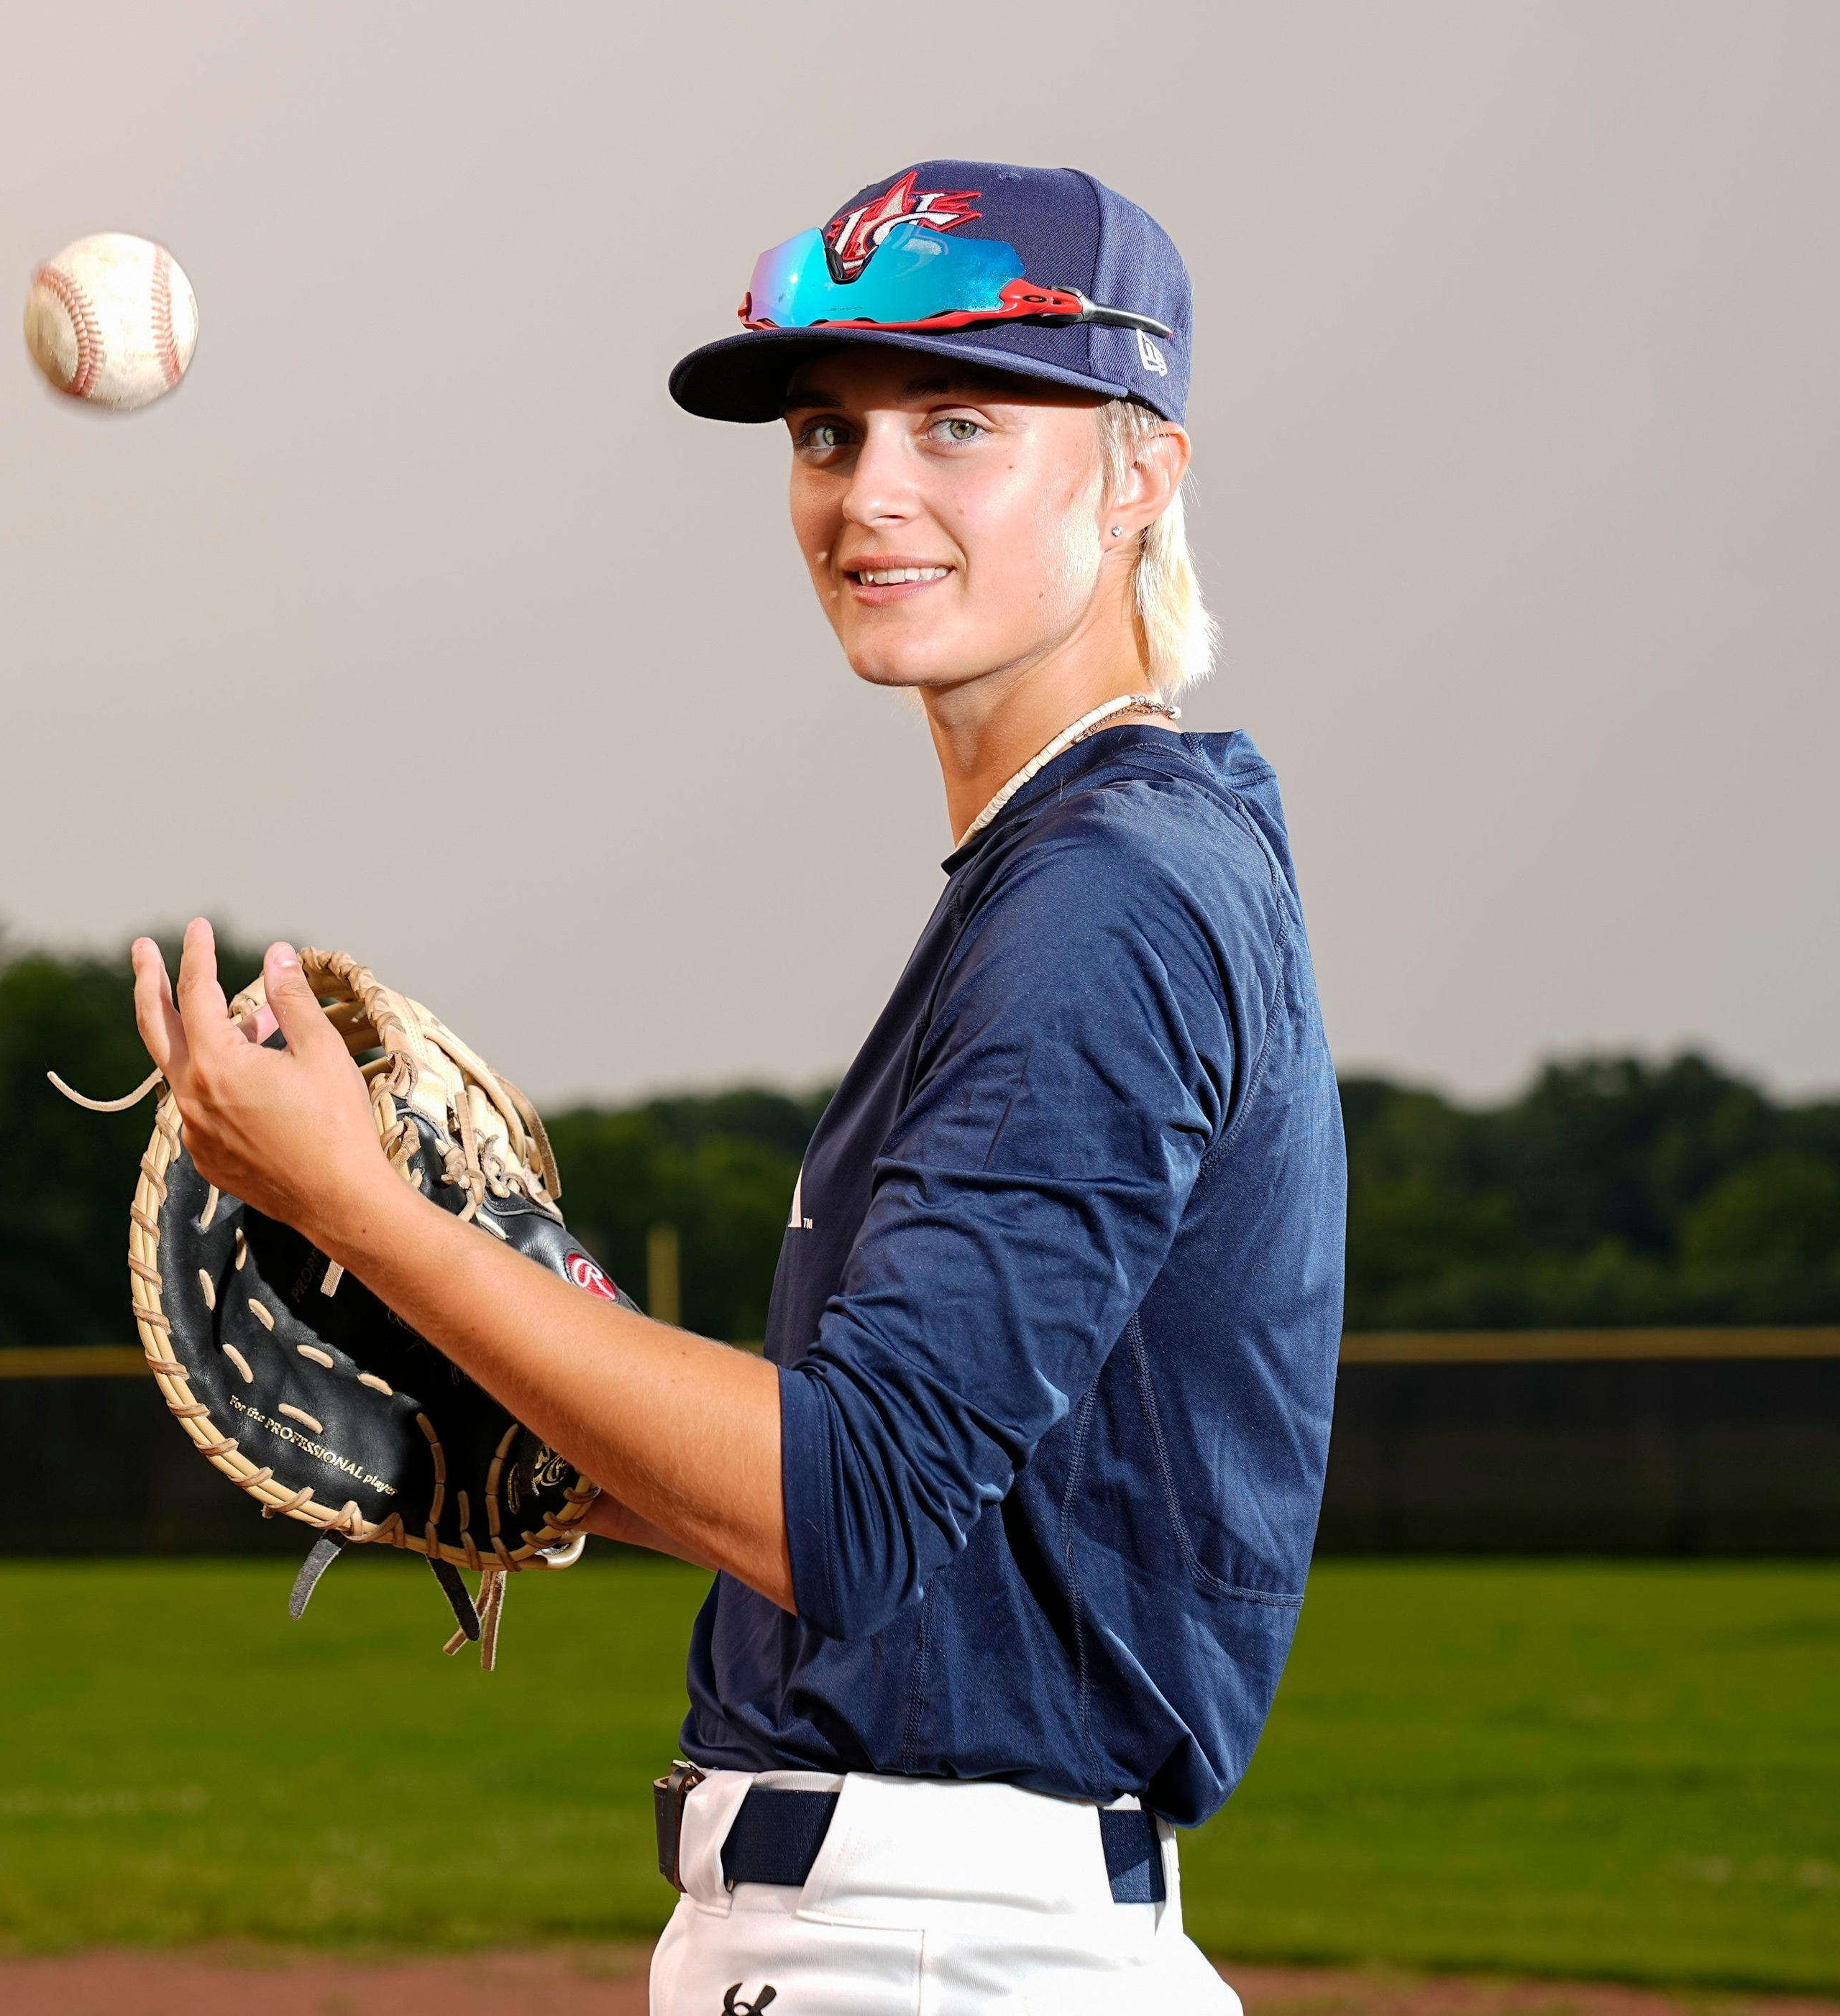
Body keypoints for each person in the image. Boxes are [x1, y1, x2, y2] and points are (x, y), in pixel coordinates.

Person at [127, 161, 1345, 2016]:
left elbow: (844, 1513)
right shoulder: (1094, 869)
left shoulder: (1103, 900)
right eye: (825, 431)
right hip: (941, 1934)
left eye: (961, 421)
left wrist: (363, 1218)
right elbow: (942, 1520)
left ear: (1141, 472)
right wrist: (549, 1426)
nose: (873, 494)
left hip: (925, 1950)